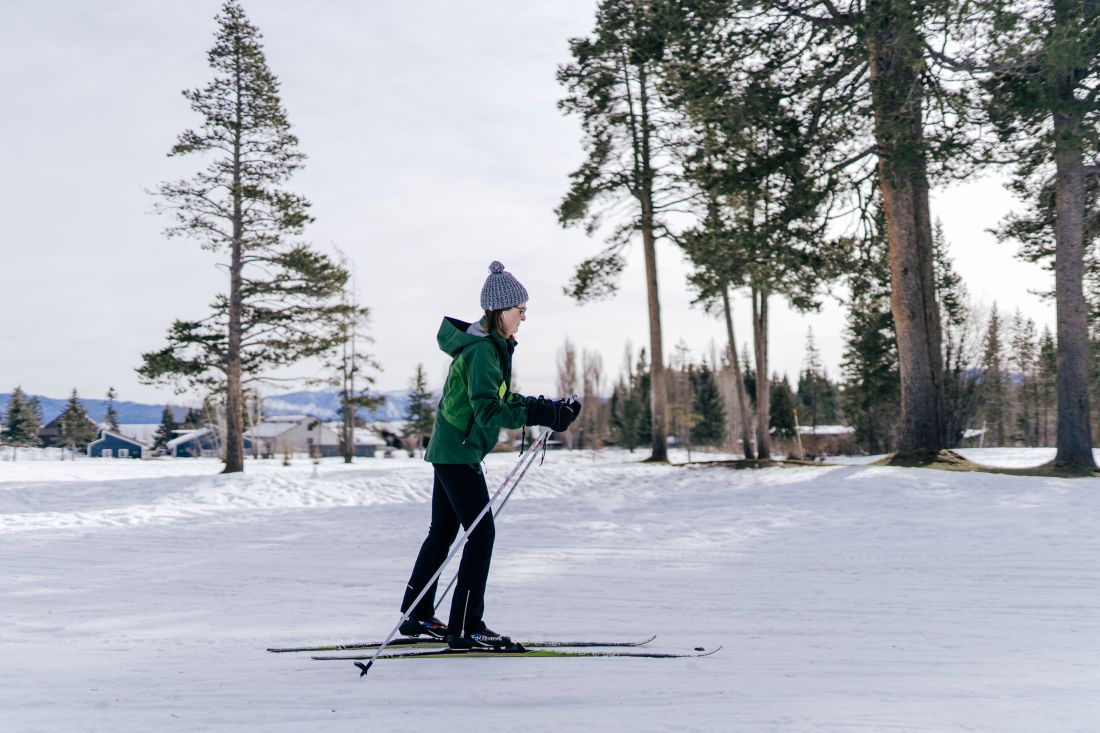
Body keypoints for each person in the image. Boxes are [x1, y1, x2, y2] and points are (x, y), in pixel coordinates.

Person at [398, 260, 581, 650]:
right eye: (520, 310)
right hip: (458, 453)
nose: (523, 318)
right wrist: (539, 413)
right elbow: (488, 409)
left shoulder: (487, 347)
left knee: (443, 533)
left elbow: (498, 398)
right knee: (480, 536)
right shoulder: (483, 351)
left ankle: (417, 614)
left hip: (452, 450)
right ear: (500, 312)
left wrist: (543, 406)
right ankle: (466, 627)